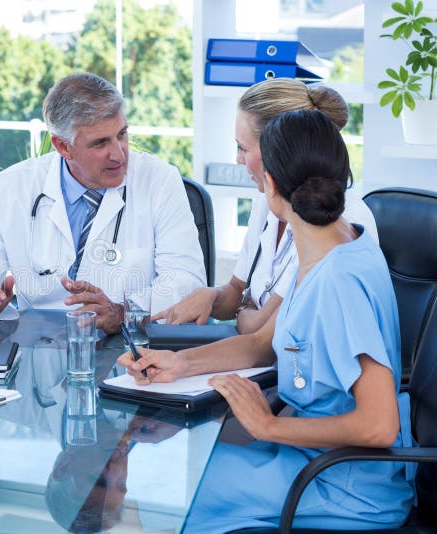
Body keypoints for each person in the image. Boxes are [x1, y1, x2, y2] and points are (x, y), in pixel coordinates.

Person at [121, 110, 414, 531]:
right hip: (310, 459)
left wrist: (267, 426)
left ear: (271, 185)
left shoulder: (340, 280)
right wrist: (178, 363)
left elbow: (380, 425)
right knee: (172, 464)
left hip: (345, 485)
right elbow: (263, 343)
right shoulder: (329, 243)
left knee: (166, 488)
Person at [0, 72, 205, 334]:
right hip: (39, 353)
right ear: (63, 146)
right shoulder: (11, 188)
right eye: (100, 143)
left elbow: (188, 281)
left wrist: (126, 312)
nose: (119, 153)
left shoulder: (159, 180)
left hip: (129, 347)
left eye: (122, 134)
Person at [153, 78, 378, 334]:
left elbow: (263, 333)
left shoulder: (340, 216)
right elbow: (238, 291)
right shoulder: (268, 199)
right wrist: (212, 296)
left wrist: (245, 313)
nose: (238, 159)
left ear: (278, 147)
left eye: (243, 148)